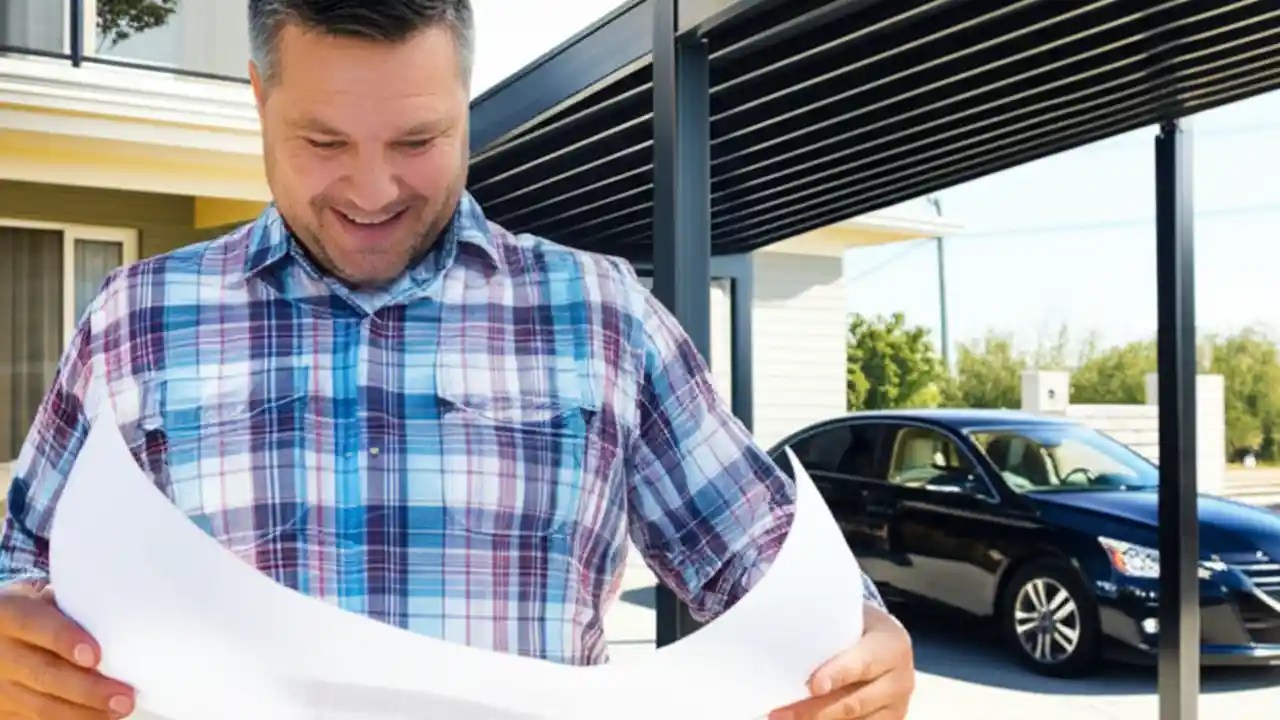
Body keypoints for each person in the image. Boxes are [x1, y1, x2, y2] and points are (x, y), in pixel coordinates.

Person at [0, 2, 914, 718]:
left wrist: (861, 644)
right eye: (323, 143)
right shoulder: (138, 317)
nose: (370, 190)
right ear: (258, 98)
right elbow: (23, 561)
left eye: (417, 141)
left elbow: (763, 557)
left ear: (465, 108)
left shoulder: (601, 316)